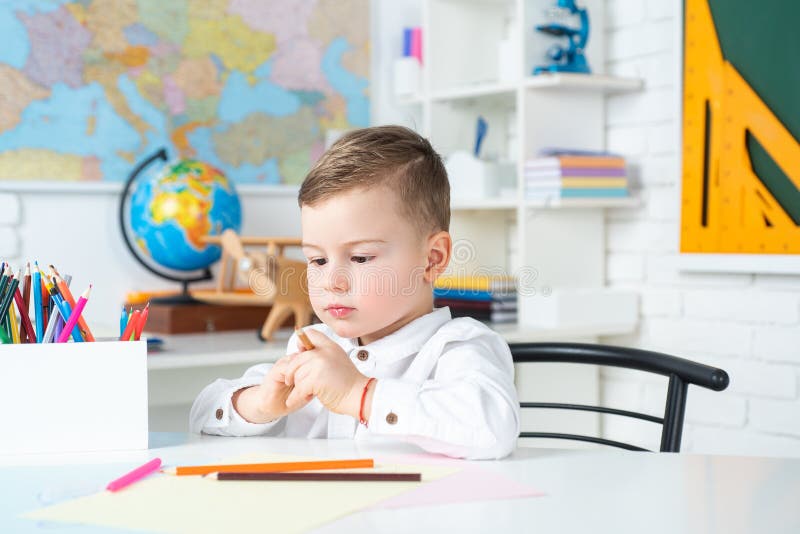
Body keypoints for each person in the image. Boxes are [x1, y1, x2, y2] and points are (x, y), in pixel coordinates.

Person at [190, 125, 520, 459]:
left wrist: (359, 394)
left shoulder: (458, 346)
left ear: (432, 258)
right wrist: (260, 403)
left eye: (360, 257)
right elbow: (203, 411)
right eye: (317, 260)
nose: (332, 281)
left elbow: (492, 429)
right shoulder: (312, 347)